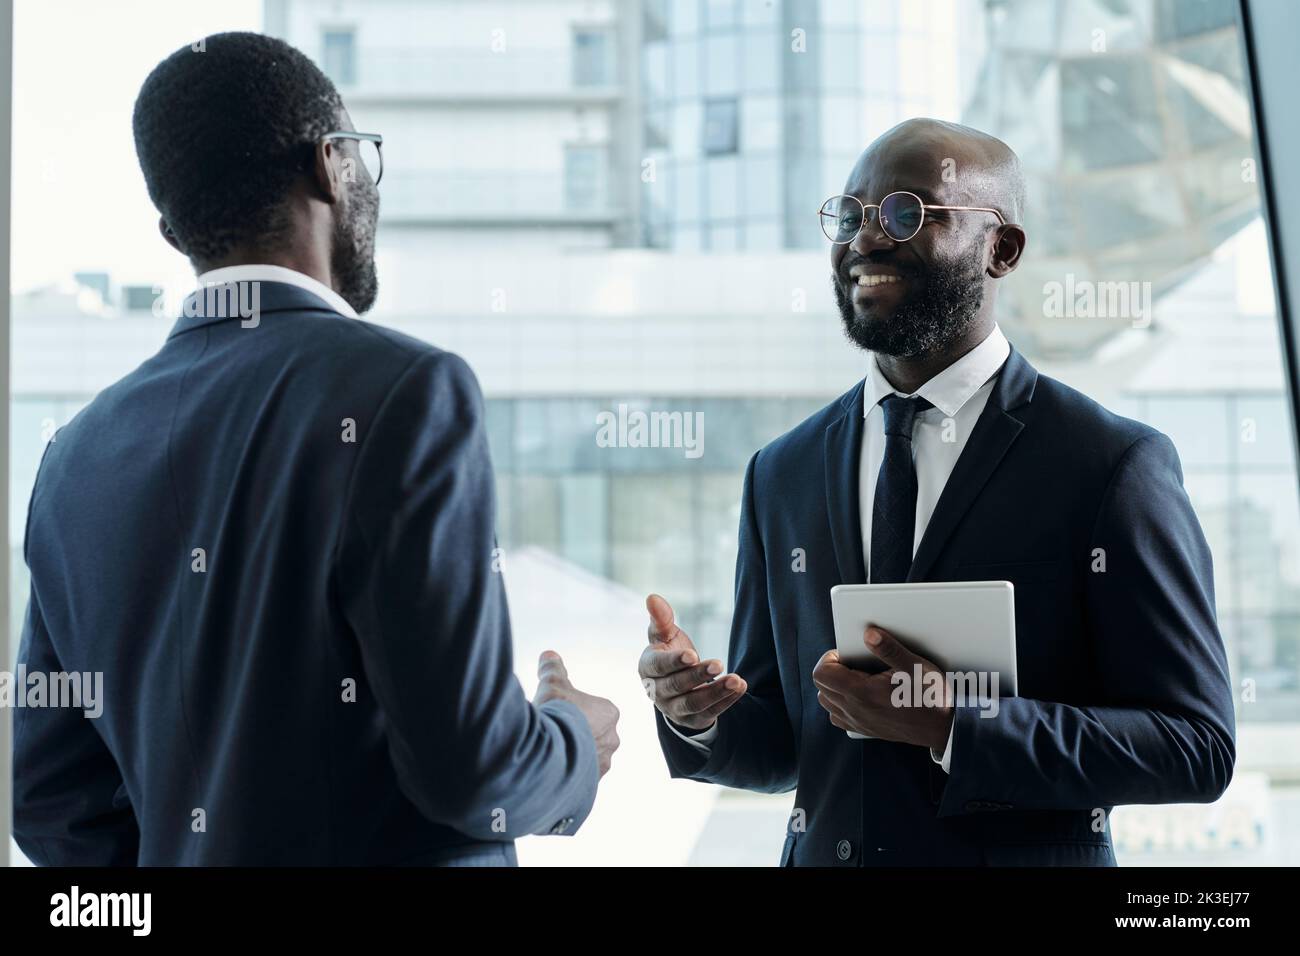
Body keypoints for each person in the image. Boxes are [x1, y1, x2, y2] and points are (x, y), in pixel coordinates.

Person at [13, 32, 618, 866]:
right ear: (333, 165)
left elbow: (52, 807)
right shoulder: (409, 390)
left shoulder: (75, 455)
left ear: (171, 228)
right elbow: (474, 777)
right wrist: (573, 738)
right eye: (364, 160)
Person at [638, 118, 1235, 867]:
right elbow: (785, 749)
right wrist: (699, 715)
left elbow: (1197, 747)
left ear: (1002, 249)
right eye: (851, 216)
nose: (865, 241)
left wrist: (955, 723)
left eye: (905, 214)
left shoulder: (1111, 463)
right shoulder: (780, 471)